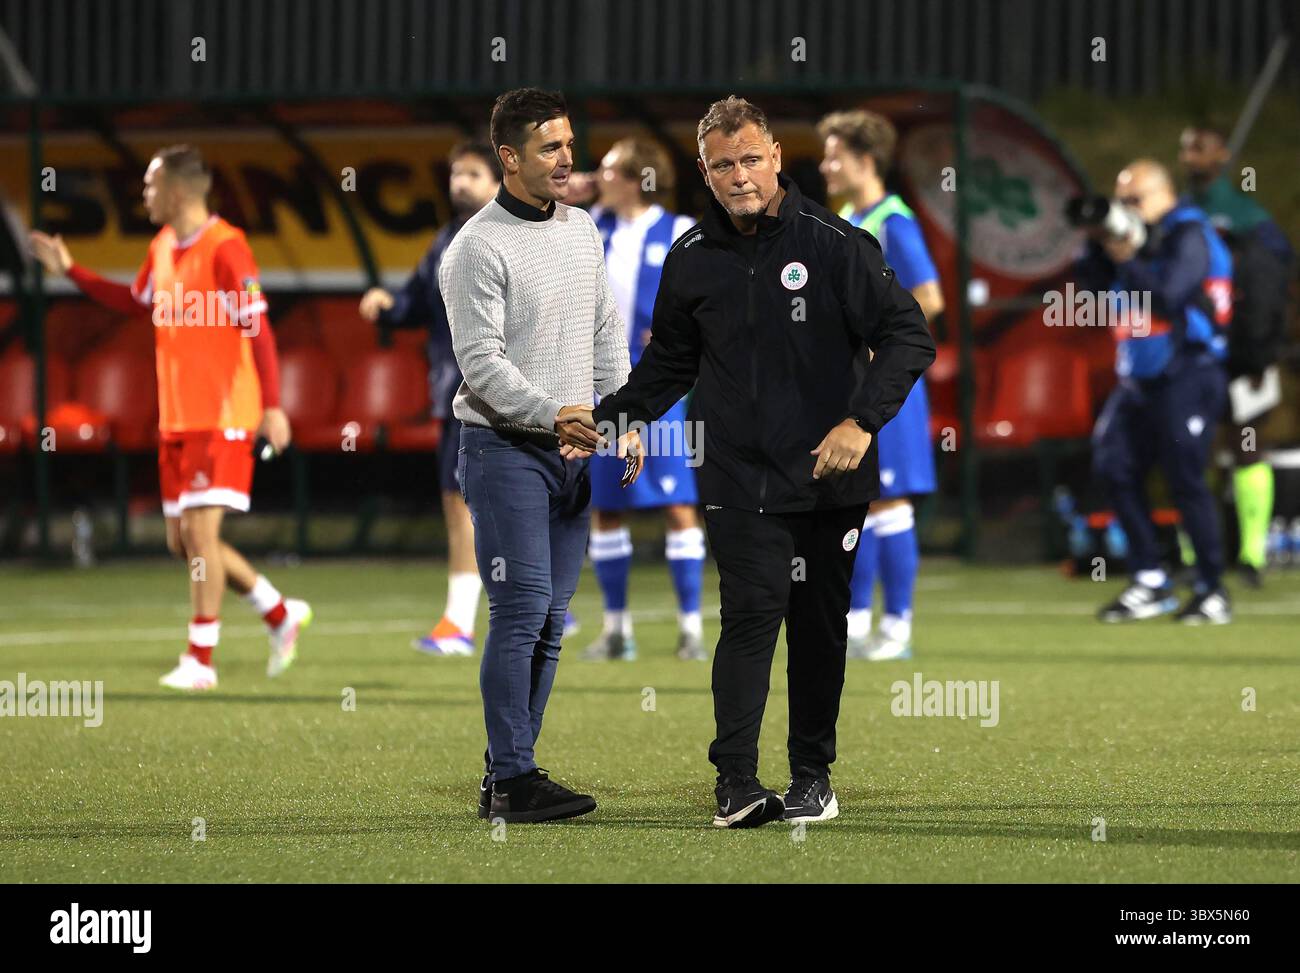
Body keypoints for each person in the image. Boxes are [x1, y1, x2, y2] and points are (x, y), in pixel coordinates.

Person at [563, 96, 934, 827]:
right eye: (723, 163)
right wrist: (612, 419)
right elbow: (668, 363)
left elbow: (909, 334)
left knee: (820, 628)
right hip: (737, 474)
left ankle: (811, 776)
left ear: (776, 160)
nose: (739, 175)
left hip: (831, 476)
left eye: (750, 159)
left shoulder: (837, 243)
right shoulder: (693, 257)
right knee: (749, 616)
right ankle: (734, 780)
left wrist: (862, 421)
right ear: (704, 171)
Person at [29, 145, 310, 690]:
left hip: (224, 414)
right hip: (177, 420)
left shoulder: (227, 249)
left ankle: (199, 660)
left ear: (178, 191)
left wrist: (273, 405)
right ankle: (278, 612)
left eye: (150, 184)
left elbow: (259, 329)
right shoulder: (161, 246)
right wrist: (71, 271)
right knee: (182, 541)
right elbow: (135, 300)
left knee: (202, 537)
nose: (144, 193)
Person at [440, 88, 639, 824]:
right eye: (550, 147)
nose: (567, 158)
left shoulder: (583, 228)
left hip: (575, 450)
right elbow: (483, 366)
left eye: (569, 143)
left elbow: (604, 331)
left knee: (553, 619)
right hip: (505, 451)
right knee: (520, 611)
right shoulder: (476, 247)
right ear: (509, 157)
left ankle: (507, 776)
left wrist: (624, 415)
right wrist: (559, 412)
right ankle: (515, 776)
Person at [359, 141, 500, 655]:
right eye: (455, 174)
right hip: (454, 394)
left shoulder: (513, 235)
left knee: (503, 502)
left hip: (503, 395)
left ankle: (531, 606)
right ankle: (461, 623)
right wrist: (388, 306)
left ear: (498, 180)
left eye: (471, 174)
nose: (459, 182)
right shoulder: (445, 241)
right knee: (460, 503)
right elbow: (416, 302)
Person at [818, 110, 944, 662]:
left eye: (834, 155)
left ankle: (896, 626)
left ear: (865, 161)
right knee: (857, 502)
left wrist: (880, 348)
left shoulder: (895, 220)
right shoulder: (844, 218)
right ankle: (855, 621)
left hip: (888, 391)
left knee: (889, 503)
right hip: (852, 387)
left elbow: (930, 297)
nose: (825, 165)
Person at [1090, 160, 1234, 624]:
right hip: (1139, 376)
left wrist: (1129, 259)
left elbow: (1169, 296)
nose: (1127, 210)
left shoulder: (1188, 233)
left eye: (1135, 200)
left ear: (1164, 195)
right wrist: (1099, 245)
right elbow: (1086, 285)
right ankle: (1151, 578)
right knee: (1113, 464)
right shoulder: (1137, 240)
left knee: (1185, 477)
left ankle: (1213, 588)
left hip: (1189, 370)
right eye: (1122, 201)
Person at [580, 137, 705, 662]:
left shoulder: (678, 231)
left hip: (660, 391)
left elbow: (706, 298)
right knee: (606, 508)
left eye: (608, 170)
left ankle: (691, 629)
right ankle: (616, 630)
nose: (598, 176)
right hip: (602, 388)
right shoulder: (585, 228)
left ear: (637, 178)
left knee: (677, 503)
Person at [1178, 123, 1295, 587]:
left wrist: (1262, 349)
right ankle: (1197, 557)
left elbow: (1279, 280)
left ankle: (1251, 556)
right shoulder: (1178, 213)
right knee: (1189, 451)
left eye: (1201, 148)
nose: (1190, 157)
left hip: (1243, 356)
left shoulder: (1247, 215)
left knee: (1246, 444)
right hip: (1189, 355)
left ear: (1223, 155)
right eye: (1186, 149)